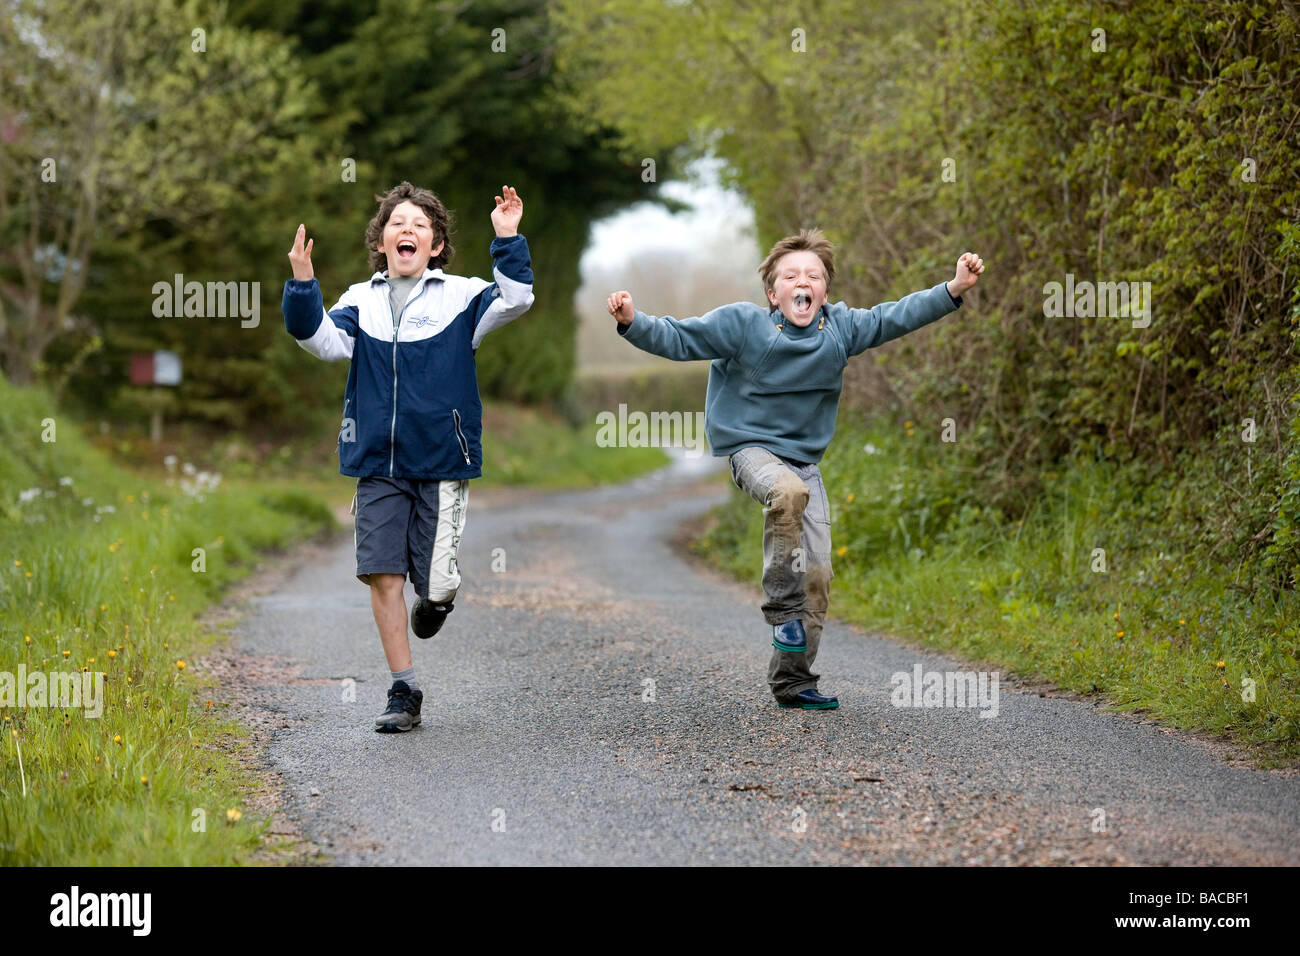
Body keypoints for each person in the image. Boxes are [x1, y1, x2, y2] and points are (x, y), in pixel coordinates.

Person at [606, 229, 983, 710]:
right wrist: (632, 321)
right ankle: (781, 611)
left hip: (806, 463)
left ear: (825, 291)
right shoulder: (743, 326)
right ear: (773, 292)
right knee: (785, 493)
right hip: (750, 451)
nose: (802, 282)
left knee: (819, 574)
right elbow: (680, 338)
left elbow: (896, 316)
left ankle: (793, 680)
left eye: (814, 276)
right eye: (791, 275)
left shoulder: (842, 329)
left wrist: (952, 288)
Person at [282, 181, 533, 732]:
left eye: (420, 225)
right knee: (382, 575)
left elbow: (516, 298)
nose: (408, 231)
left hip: (442, 461)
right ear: (381, 241)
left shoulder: (463, 296)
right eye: (397, 223)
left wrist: (507, 238)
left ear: (437, 244)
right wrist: (303, 285)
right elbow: (321, 341)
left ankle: (438, 601)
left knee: (435, 583)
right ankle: (404, 689)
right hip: (376, 464)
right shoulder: (358, 300)